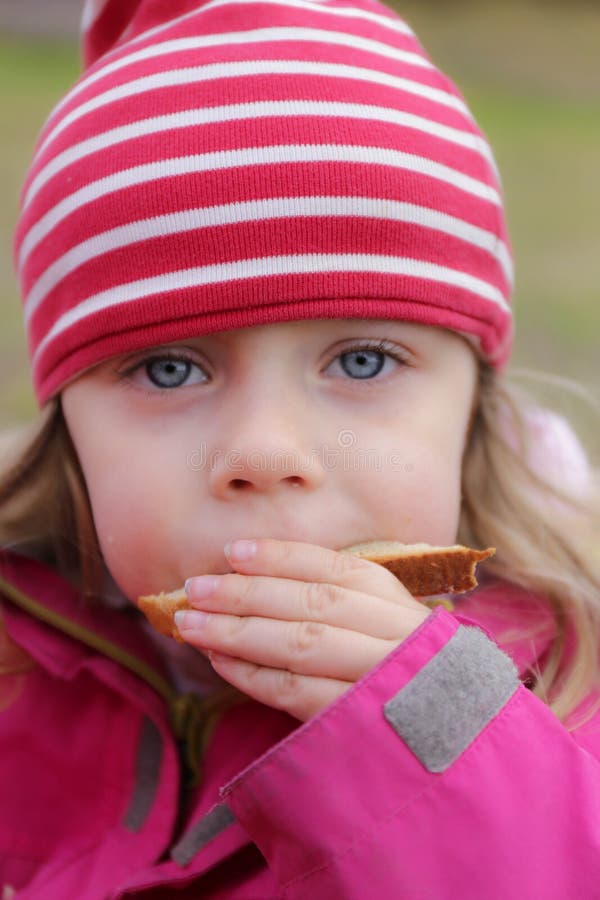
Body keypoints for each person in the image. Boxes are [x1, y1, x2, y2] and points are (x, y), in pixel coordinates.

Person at [1, 0, 599, 895]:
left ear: (474, 404)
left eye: (362, 359)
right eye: (168, 370)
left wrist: (443, 748)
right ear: (68, 431)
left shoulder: (568, 693)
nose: (267, 451)